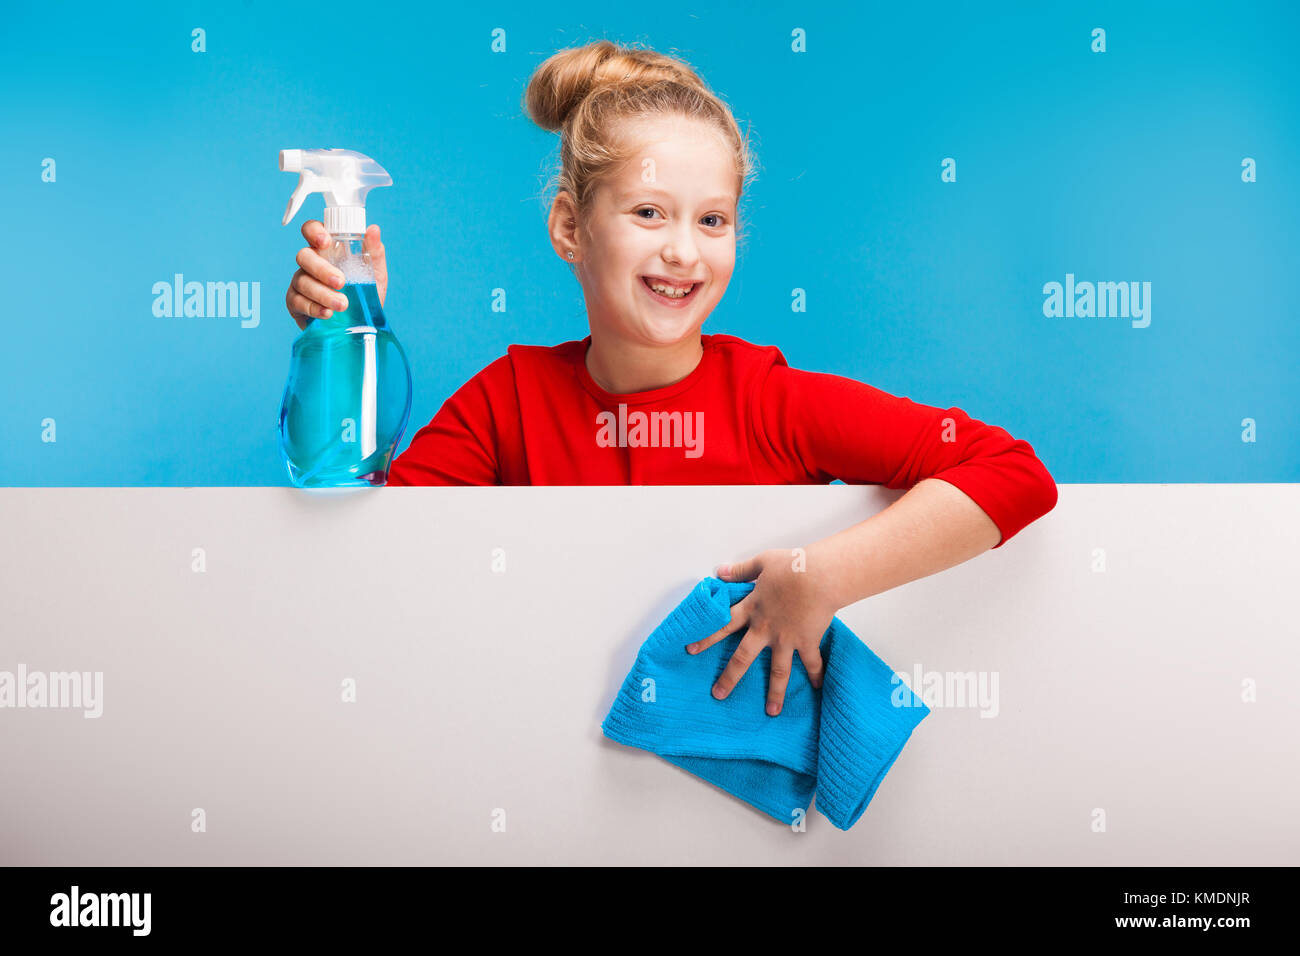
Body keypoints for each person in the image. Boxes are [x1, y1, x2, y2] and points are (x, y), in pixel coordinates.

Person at [283, 39, 1058, 717]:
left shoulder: (772, 403)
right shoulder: (506, 403)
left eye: (711, 220)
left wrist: (820, 576)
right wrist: (346, 335)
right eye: (650, 213)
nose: (684, 251)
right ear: (570, 227)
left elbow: (1013, 471)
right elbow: (375, 550)